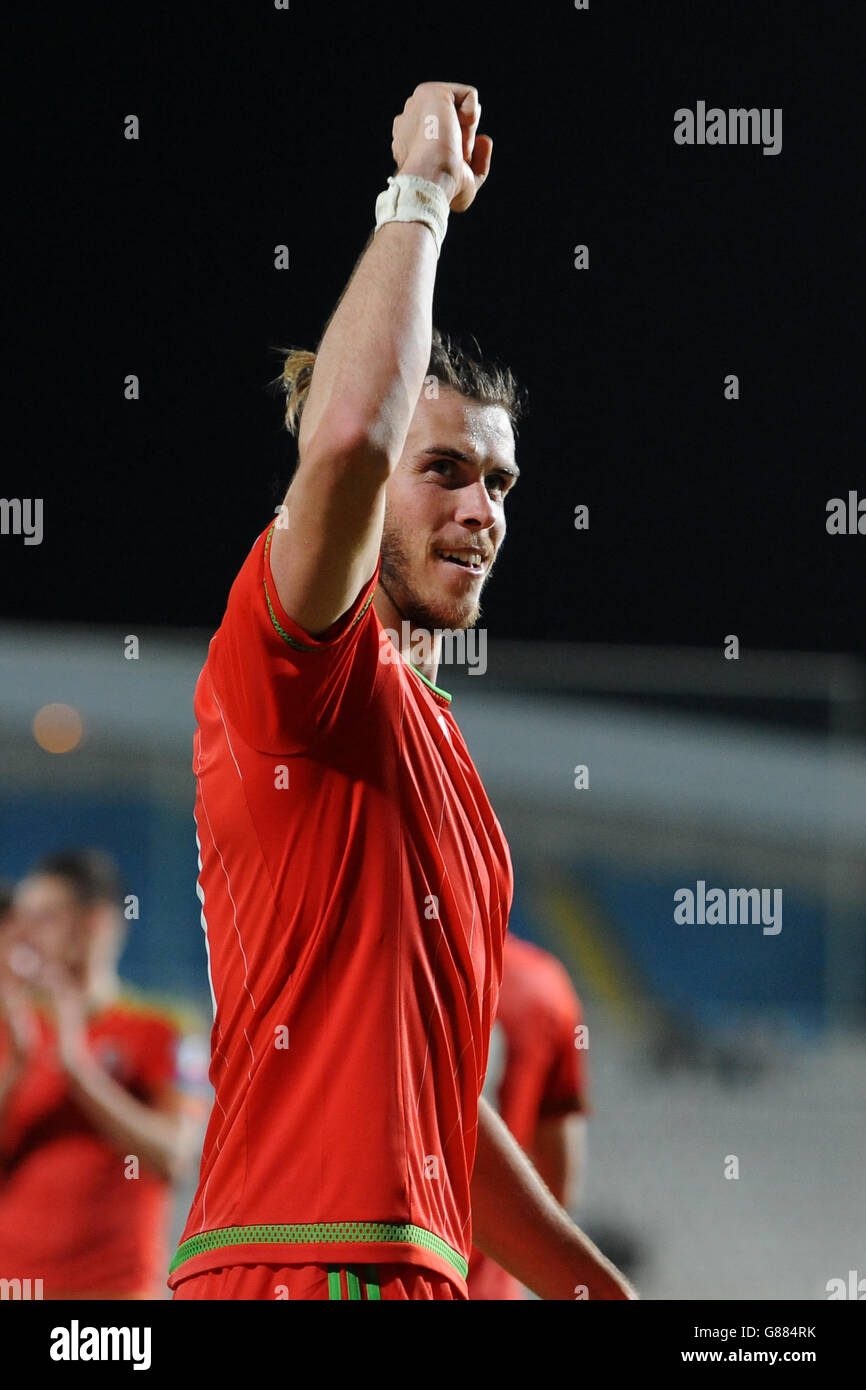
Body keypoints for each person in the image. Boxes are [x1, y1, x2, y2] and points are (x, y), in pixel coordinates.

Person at [170, 80, 634, 1302]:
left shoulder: (442, 769)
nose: (483, 510)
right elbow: (340, 447)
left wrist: (597, 1293)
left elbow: (440, 1113)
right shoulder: (300, 681)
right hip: (298, 1260)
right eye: (444, 469)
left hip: (403, 1268)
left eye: (500, 481)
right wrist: (417, 195)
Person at [0, 850, 205, 1299]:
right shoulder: (10, 1029)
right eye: (23, 918)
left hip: (112, 1300)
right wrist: (17, 1066)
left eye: (46, 917)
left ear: (98, 923)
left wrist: (77, 1068)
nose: (26, 935)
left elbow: (176, 1155)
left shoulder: (165, 1028)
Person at [468, 934, 590, 1299]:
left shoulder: (384, 955)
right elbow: (559, 1171)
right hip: (489, 1285)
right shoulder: (543, 981)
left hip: (387, 1271)